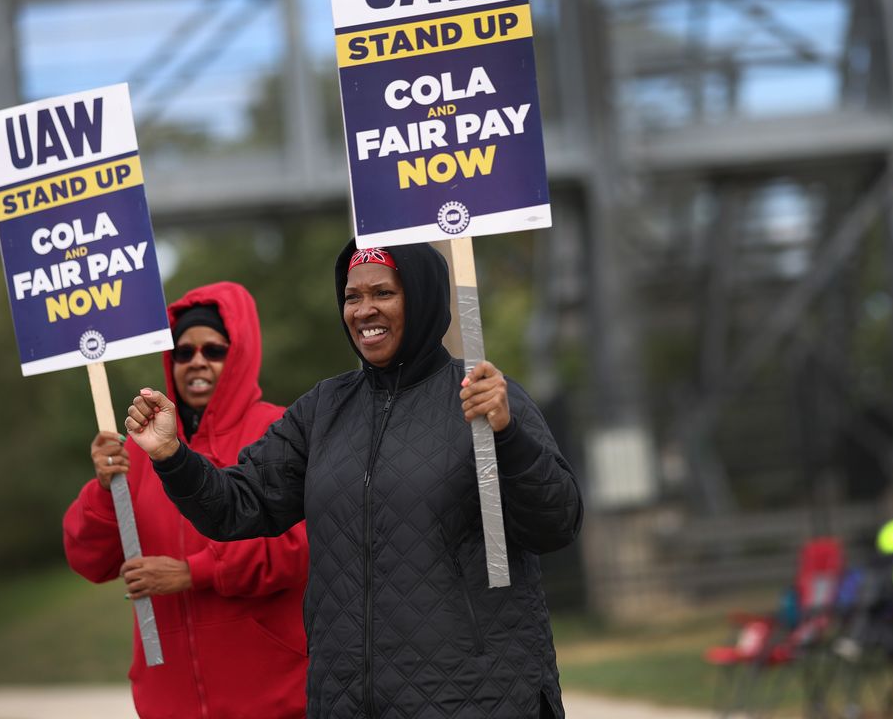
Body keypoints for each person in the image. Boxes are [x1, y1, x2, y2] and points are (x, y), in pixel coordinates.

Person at [124, 241, 583, 718]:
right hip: (347, 702)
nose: (364, 311)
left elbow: (555, 524)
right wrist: (172, 455)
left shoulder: (484, 399)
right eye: (352, 297)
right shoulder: (323, 410)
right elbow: (235, 507)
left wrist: (508, 436)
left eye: (383, 293)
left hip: (476, 699)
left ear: (422, 298)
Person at [63, 282, 308, 719]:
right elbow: (88, 559)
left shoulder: (278, 430)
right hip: (169, 702)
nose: (197, 361)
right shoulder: (141, 447)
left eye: (213, 350)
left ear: (240, 354)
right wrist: (103, 487)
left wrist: (194, 572)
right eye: (183, 352)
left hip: (273, 698)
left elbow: (301, 546)